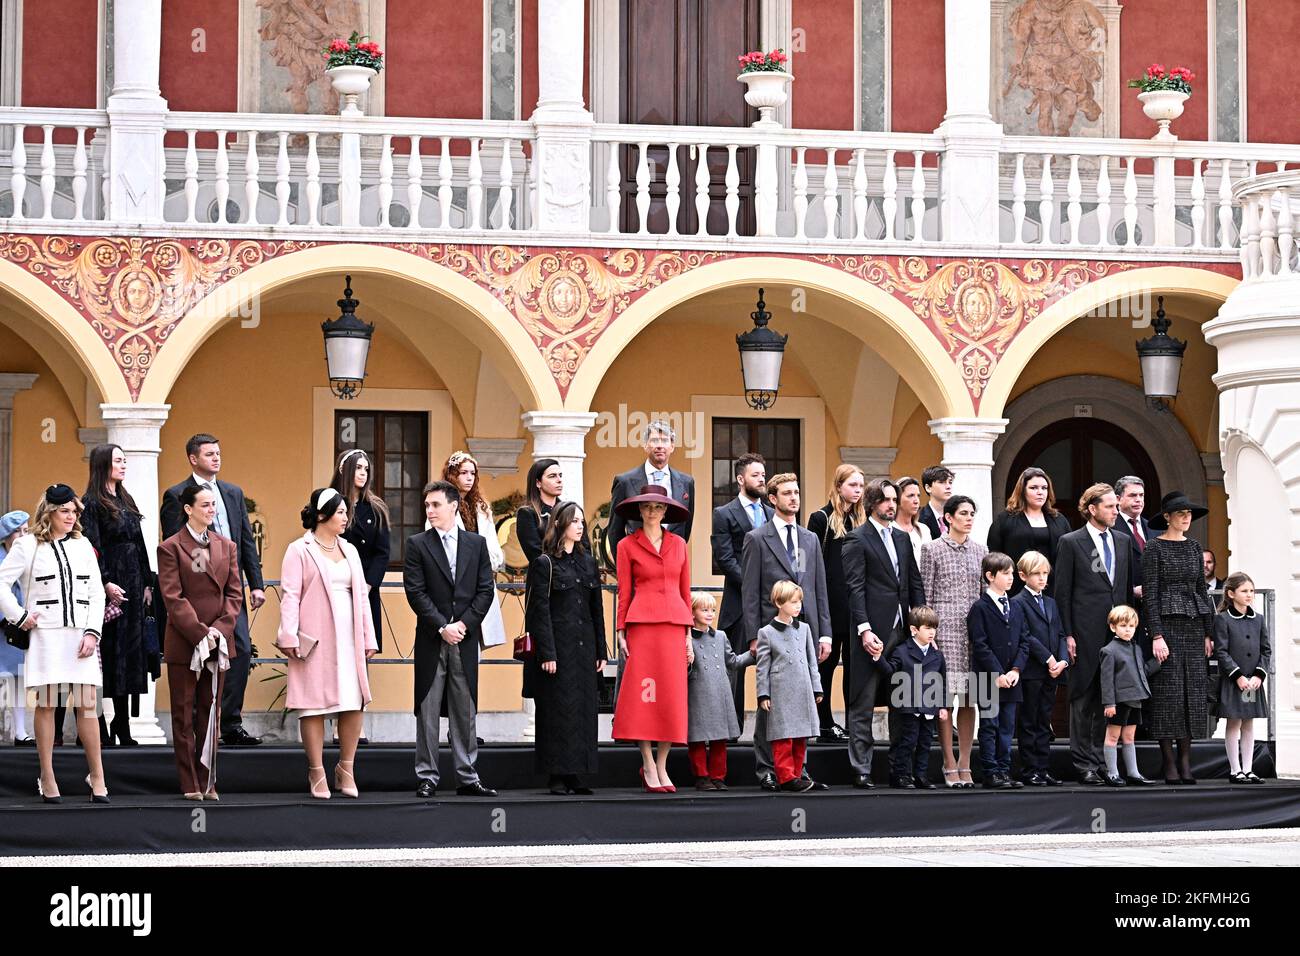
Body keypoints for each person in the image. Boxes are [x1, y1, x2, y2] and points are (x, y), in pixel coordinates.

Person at [0, 484, 108, 803]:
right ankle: (47, 776)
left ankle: (98, 776)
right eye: (65, 511)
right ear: (49, 512)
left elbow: (97, 593)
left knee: (88, 704)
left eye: (75, 512)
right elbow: (2, 584)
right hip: (46, 636)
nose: (71, 517)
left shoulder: (82, 544)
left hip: (81, 636)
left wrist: (92, 631)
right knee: (47, 704)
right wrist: (19, 617)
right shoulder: (27, 545)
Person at [161, 433, 267, 748]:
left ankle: (230, 723)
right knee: (199, 653)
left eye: (218, 453)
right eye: (209, 454)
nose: (216, 458)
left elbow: (246, 539)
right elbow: (173, 542)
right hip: (196, 591)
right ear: (193, 458)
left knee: (242, 650)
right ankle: (200, 724)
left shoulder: (233, 493)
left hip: (230, 587)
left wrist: (257, 583)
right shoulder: (177, 494)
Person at [277, 489, 378, 798]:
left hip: (349, 633)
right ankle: (317, 771)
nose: (346, 517)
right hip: (315, 635)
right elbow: (290, 594)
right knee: (313, 704)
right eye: (341, 512)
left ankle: (346, 768)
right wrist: (288, 634)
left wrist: (368, 636)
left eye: (347, 512)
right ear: (322, 515)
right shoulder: (299, 549)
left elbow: (362, 594)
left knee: (353, 700)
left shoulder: (349, 549)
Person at [405, 480, 497, 798]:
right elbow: (415, 592)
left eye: (435, 505)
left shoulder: (476, 544)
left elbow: (486, 590)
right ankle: (428, 775)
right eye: (427, 505)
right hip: (433, 638)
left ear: (453, 506)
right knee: (427, 709)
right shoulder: (417, 544)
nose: (429, 510)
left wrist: (464, 626)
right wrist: (443, 626)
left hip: (465, 639)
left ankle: (467, 776)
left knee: (465, 707)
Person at [741, 473, 832, 790]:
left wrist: (824, 633)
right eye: (787, 493)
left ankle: (798, 770)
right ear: (772, 498)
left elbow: (818, 587)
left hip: (805, 632)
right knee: (772, 705)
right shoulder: (757, 538)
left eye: (797, 492)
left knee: (802, 702)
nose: (794, 498)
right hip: (773, 631)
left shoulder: (809, 539)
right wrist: (754, 634)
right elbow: (750, 592)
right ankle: (766, 768)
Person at [157, 484, 243, 800]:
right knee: (183, 713)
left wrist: (220, 630)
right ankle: (189, 782)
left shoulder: (228, 546)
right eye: (205, 505)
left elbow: (235, 594)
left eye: (213, 505)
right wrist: (200, 633)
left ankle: (209, 781)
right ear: (188, 509)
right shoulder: (171, 547)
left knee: (210, 712)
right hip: (186, 641)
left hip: (218, 641)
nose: (211, 510)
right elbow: (172, 596)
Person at [842, 479, 926, 790]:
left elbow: (913, 583)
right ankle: (862, 769)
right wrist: (864, 629)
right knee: (863, 702)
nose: (891, 505)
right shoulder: (856, 539)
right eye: (885, 500)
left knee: (901, 703)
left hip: (904, 631)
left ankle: (899, 770)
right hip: (872, 631)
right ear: (872, 503)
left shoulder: (903, 539)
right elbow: (855, 588)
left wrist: (920, 625)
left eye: (894, 499)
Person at [611, 483, 693, 793]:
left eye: (658, 507)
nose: (652, 512)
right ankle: (647, 762)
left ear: (666, 512)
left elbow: (686, 591)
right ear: (639, 511)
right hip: (642, 625)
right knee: (644, 697)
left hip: (674, 625)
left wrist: (688, 636)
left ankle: (662, 764)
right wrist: (620, 632)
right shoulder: (626, 546)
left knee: (670, 696)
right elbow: (624, 591)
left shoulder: (679, 544)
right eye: (647, 507)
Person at [526, 501, 607, 795]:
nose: (579, 526)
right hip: (557, 649)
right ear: (560, 524)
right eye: (574, 521)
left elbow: (596, 609)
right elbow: (539, 612)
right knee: (556, 711)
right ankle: (556, 775)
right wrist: (546, 653)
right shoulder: (545, 563)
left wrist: (601, 650)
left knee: (584, 711)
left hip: (584, 648)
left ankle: (578, 773)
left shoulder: (587, 563)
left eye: (582, 522)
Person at [1054, 483, 1132, 785]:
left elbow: (1123, 590)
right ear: (1092, 508)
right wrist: (1067, 634)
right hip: (1084, 633)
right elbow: (1063, 592)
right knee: (1083, 697)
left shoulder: (1123, 541)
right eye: (1110, 506)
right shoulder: (1071, 542)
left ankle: (1102, 762)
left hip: (1117, 635)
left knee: (1108, 698)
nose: (1116, 510)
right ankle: (1083, 762)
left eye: (1116, 505)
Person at [81, 444, 155, 747]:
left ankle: (122, 724)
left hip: (135, 584)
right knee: (109, 654)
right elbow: (91, 548)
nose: (124, 465)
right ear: (103, 465)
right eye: (118, 461)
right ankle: (102, 725)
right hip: (111, 585)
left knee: (131, 653)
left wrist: (148, 582)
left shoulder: (126, 498)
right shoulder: (92, 502)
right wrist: (105, 582)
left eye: (125, 460)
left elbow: (140, 543)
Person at [1143, 491, 1216, 785]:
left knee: (1192, 695)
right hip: (1167, 627)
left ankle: (1186, 762)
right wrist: (1157, 634)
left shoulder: (1195, 547)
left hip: (1194, 626)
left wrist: (1209, 632)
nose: (1186, 517)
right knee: (1168, 694)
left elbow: (1201, 590)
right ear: (1168, 517)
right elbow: (1150, 593)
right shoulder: (1153, 548)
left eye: (1189, 513)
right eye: (1181, 513)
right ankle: (1169, 762)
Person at [918, 494, 986, 788]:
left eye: (972, 513)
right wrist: (927, 633)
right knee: (945, 699)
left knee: (971, 699)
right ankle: (948, 761)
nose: (969, 518)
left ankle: (966, 763)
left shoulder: (982, 550)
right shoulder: (931, 549)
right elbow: (925, 595)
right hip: (943, 631)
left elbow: (984, 596)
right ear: (948, 518)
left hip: (974, 632)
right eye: (964, 513)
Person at [710, 452, 771, 730]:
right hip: (739, 603)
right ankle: (732, 729)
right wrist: (752, 586)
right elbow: (724, 558)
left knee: (772, 667)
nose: (762, 479)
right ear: (740, 478)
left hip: (772, 604)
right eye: (756, 475)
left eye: (763, 474)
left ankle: (772, 728)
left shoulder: (772, 514)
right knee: (734, 666)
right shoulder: (723, 514)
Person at [808, 464, 866, 742]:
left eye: (860, 486)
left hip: (856, 603)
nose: (857, 490)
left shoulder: (863, 520)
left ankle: (853, 722)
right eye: (853, 485)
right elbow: (812, 563)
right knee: (826, 665)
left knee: (854, 665)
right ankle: (824, 722)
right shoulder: (821, 518)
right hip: (830, 603)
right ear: (839, 485)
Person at [967, 552, 1029, 790]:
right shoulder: (980, 608)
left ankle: (1004, 770)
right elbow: (980, 645)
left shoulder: (1015, 606)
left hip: (1012, 679)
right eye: (1005, 573)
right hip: (987, 679)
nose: (1011, 578)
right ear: (990, 576)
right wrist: (997, 674)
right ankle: (991, 772)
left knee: (1006, 727)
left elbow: (1024, 641)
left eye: (1012, 573)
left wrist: (1015, 670)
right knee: (990, 725)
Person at [755, 581, 824, 793]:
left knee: (801, 735)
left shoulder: (804, 629)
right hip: (780, 690)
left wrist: (816, 687)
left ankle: (798, 775)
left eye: (799, 602)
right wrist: (763, 694)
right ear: (778, 602)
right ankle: (786, 777)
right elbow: (762, 667)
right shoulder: (766, 632)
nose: (798, 606)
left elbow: (812, 661)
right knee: (783, 736)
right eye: (793, 602)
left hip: (802, 688)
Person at [1011, 551, 1069, 786]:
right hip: (1033, 670)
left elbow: (1061, 634)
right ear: (1023, 576)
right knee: (1029, 720)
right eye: (1037, 574)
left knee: (1045, 719)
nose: (1043, 578)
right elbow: (1026, 636)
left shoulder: (1051, 602)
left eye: (1045, 573)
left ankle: (1043, 768)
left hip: (1052, 671)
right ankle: (1029, 769)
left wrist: (1063, 660)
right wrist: (1049, 658)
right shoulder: (1017, 602)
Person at [876, 605, 947, 790]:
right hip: (908, 706)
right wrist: (878, 657)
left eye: (934, 628)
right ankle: (901, 775)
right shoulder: (902, 651)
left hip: (929, 707)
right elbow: (890, 671)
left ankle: (920, 775)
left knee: (925, 743)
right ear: (914, 629)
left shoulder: (937, 655)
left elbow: (942, 682)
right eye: (927, 628)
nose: (932, 632)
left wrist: (943, 706)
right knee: (907, 742)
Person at [686, 592, 752, 790]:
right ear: (692, 612)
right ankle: (701, 777)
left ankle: (718, 777)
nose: (710, 614)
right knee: (697, 738)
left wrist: (752, 654)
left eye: (712, 610)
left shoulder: (721, 636)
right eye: (704, 610)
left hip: (720, 693)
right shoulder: (686, 639)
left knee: (719, 738)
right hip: (697, 693)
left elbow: (732, 662)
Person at [444, 451, 507, 650]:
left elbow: (494, 548)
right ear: (453, 475)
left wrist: (486, 562)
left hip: (480, 579)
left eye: (473, 473)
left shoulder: (481, 507)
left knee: (474, 645)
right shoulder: (442, 505)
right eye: (463, 473)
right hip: (455, 581)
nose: (469, 477)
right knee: (456, 642)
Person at [607, 421, 695, 556]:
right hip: (638, 561)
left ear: (672, 446)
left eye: (665, 441)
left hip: (672, 561)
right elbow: (614, 531)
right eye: (654, 440)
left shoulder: (686, 483)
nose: (660, 446)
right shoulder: (624, 482)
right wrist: (624, 566)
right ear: (645, 445)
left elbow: (685, 528)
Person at [332, 449, 390, 652]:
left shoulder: (376, 508)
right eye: (358, 468)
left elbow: (383, 552)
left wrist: (368, 585)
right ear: (345, 470)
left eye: (366, 469)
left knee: (361, 650)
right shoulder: (330, 503)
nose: (363, 473)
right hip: (334, 584)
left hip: (365, 586)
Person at [1214, 572, 1269, 785]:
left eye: (1252, 591)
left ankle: (1248, 770)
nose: (1249, 595)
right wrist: (1237, 675)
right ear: (1231, 593)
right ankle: (1235, 770)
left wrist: (1258, 675)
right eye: (1244, 591)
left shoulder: (1259, 620)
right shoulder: (1223, 619)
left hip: (1252, 682)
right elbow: (1221, 651)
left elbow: (1266, 651)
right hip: (1234, 681)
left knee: (1248, 723)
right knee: (1233, 723)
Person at [987, 466, 1072, 597]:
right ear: (1022, 491)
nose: (1040, 492)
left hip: (1053, 590)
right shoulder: (1005, 519)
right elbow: (995, 556)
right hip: (1016, 590)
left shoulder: (1059, 519)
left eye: (1044, 488)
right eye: (1034, 488)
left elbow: (1069, 556)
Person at [1098, 605, 1159, 787]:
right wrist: (1109, 703)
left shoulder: (1136, 648)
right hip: (1118, 701)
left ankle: (1133, 773)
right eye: (1123, 626)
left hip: (1135, 699)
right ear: (1113, 627)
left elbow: (1141, 672)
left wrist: (1157, 663)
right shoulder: (1109, 651)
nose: (1128, 630)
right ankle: (1113, 773)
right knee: (1113, 736)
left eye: (1131, 626)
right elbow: (1106, 680)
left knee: (1129, 737)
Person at [0, 510, 33, 745]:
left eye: (25, 530)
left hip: (22, 627)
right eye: (17, 532)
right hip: (3, 628)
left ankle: (20, 732)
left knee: (19, 680)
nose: (22, 535)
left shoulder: (29, 554)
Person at [1114, 475, 1152, 653]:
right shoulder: (1110, 528)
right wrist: (1131, 590)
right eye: (1132, 495)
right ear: (1118, 499)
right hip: (1123, 609)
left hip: (1151, 611)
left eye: (1141, 495)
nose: (1138, 500)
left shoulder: (1152, 527)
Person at [516, 458, 563, 566]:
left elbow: (584, 549)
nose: (559, 480)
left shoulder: (571, 511)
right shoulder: (527, 513)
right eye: (552, 476)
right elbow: (536, 555)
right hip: (546, 577)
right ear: (538, 483)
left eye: (560, 475)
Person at [891, 476, 932, 570]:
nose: (916, 501)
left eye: (918, 496)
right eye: (911, 496)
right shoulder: (889, 529)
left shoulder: (924, 529)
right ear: (897, 499)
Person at [917, 465, 954, 542]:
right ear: (928, 488)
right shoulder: (919, 517)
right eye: (942, 482)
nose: (948, 486)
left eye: (950, 482)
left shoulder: (955, 517)